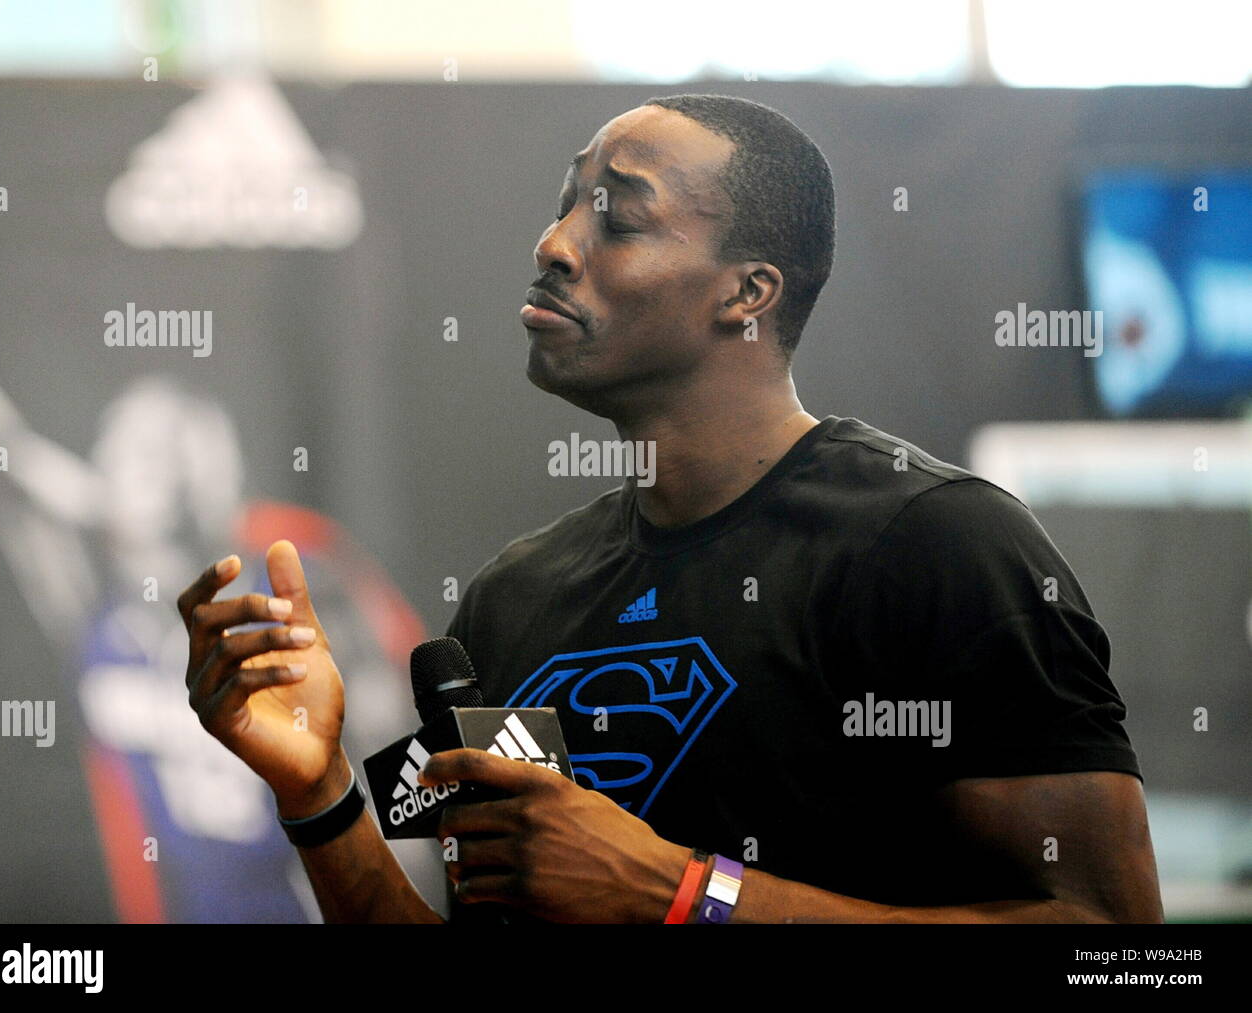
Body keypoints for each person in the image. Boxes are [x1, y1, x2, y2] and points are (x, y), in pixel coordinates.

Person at [178, 94, 1164, 923]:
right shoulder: (513, 600)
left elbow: (1113, 949)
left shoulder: (940, 546)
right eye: (566, 205)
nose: (554, 243)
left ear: (746, 292)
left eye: (616, 216)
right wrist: (318, 789)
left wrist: (684, 890)